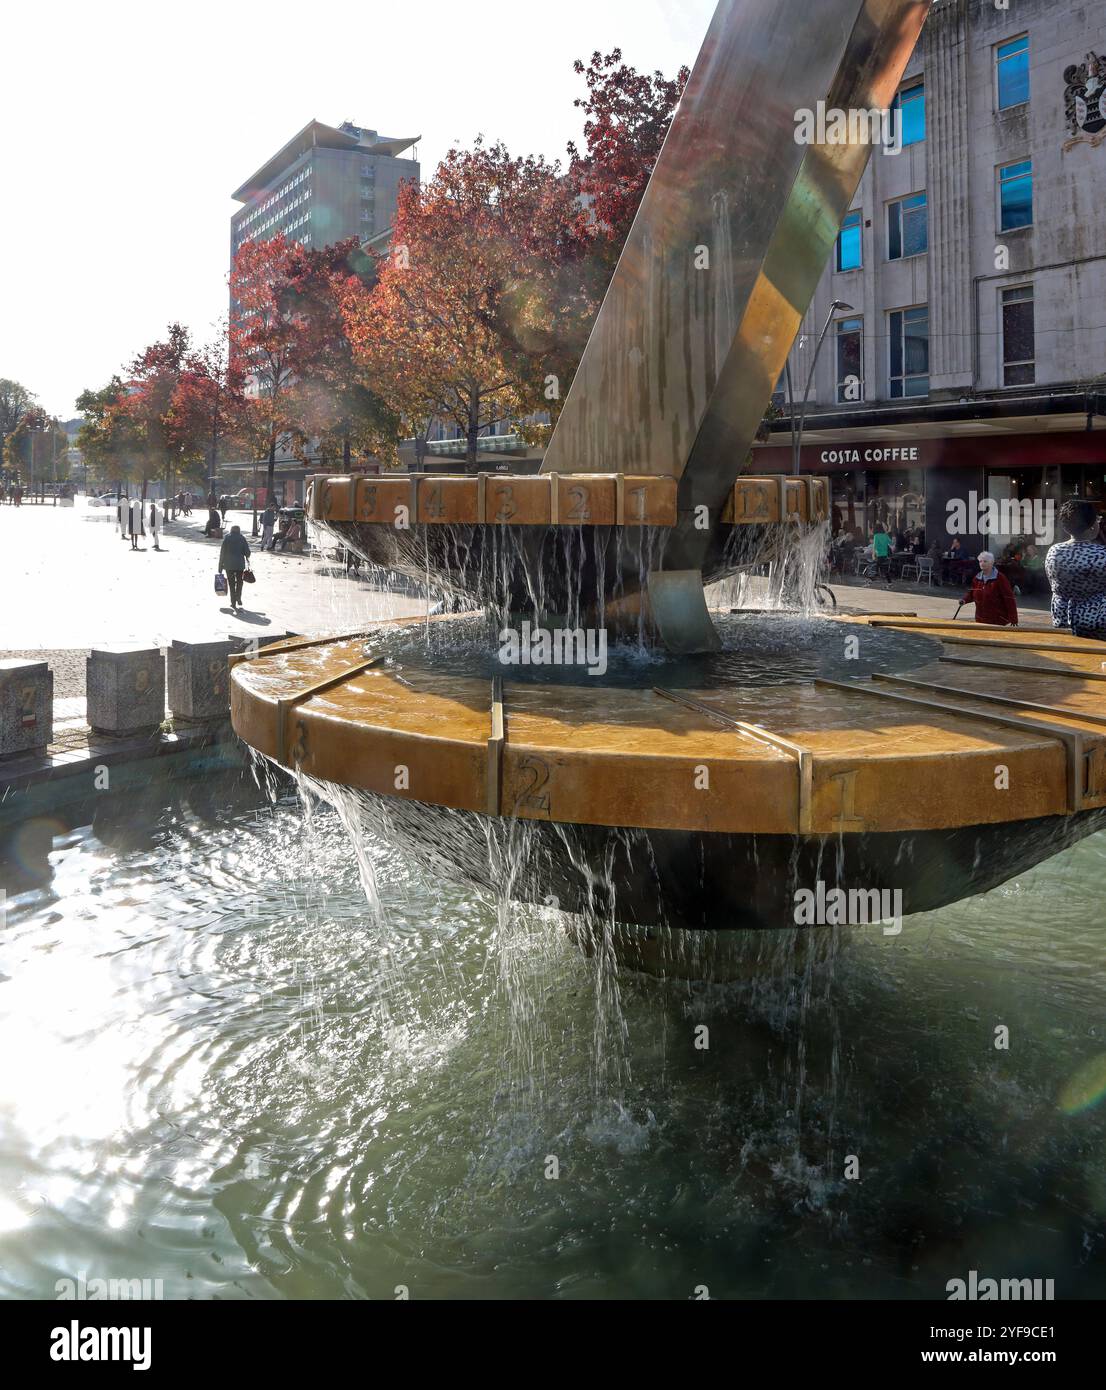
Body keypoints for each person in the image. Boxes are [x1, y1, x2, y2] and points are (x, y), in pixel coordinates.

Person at [1045, 499, 1106, 639]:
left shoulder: (1054, 551)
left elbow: (1054, 584)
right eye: (1097, 519)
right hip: (1097, 620)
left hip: (1063, 618)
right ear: (1091, 526)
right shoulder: (1102, 555)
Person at [961, 551, 1018, 626]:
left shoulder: (1000, 578)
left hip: (997, 621)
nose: (982, 563)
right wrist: (964, 600)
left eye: (985, 561)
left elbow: (1009, 599)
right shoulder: (977, 578)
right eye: (980, 561)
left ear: (991, 563)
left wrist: (1013, 618)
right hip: (980, 620)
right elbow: (972, 594)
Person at [218, 525, 252, 611]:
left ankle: (233, 602)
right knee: (240, 582)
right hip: (239, 565)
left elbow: (222, 553)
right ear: (239, 531)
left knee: (231, 583)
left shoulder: (227, 538)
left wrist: (220, 566)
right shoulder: (242, 538)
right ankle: (238, 598)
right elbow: (247, 553)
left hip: (228, 565)